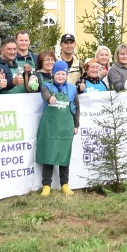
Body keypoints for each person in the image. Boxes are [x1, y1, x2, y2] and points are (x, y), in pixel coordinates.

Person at [36, 61, 78, 195]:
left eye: (63, 74)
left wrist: (76, 125)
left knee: (64, 156)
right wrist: (50, 100)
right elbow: (45, 96)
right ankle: (46, 185)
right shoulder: (46, 86)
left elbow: (76, 108)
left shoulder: (72, 89)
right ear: (53, 74)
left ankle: (64, 184)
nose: (60, 76)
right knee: (49, 154)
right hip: (50, 127)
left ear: (66, 75)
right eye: (58, 73)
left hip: (66, 126)